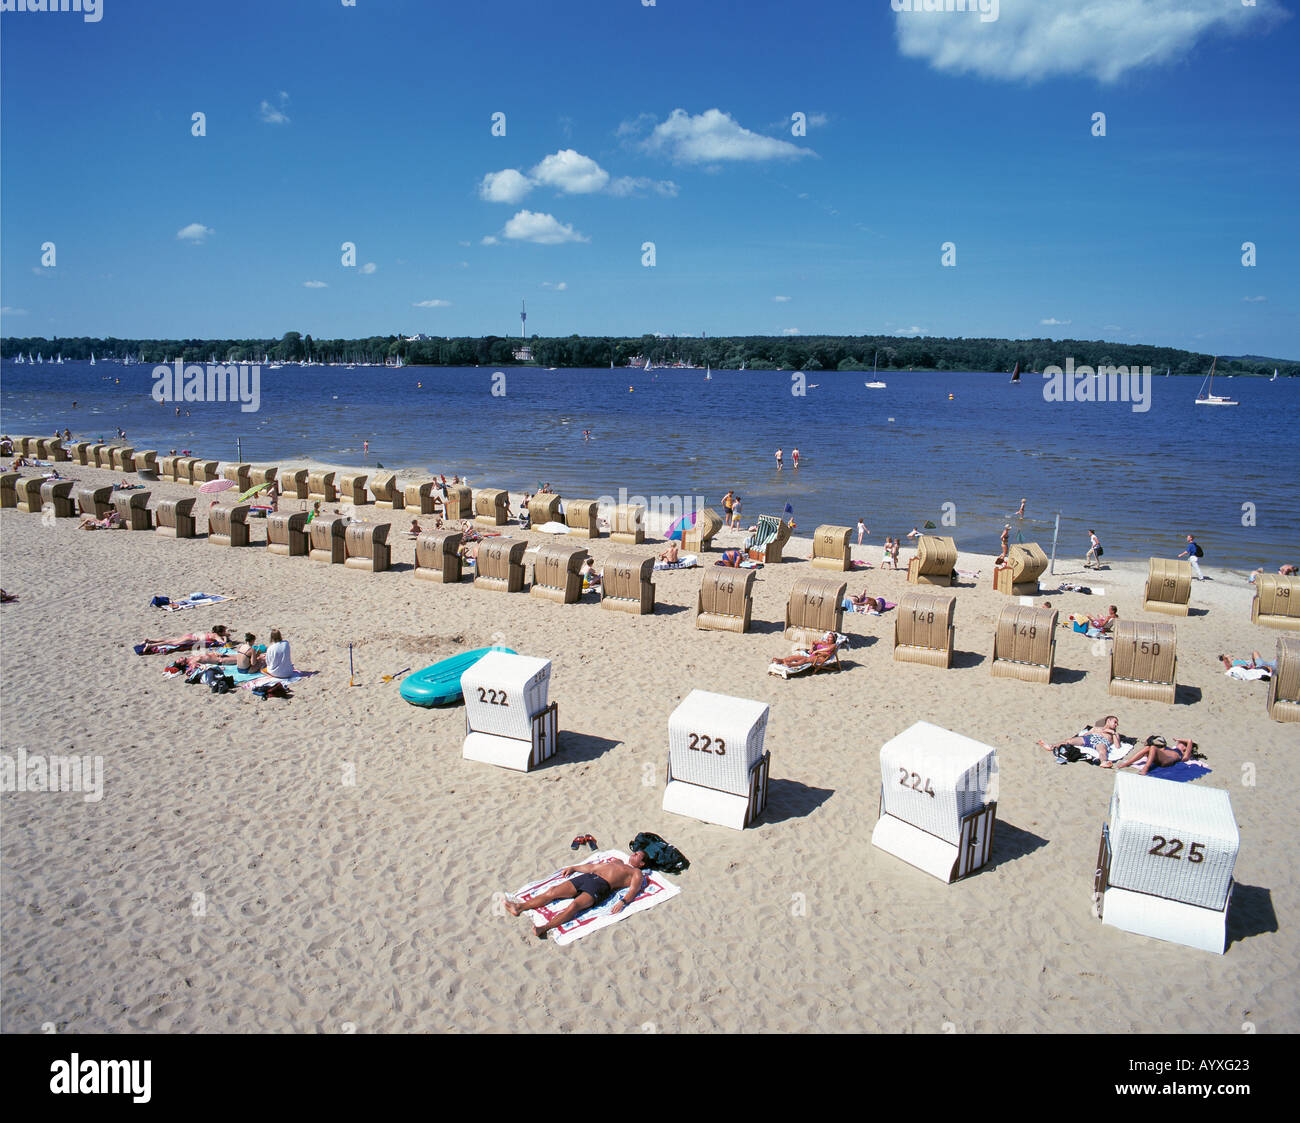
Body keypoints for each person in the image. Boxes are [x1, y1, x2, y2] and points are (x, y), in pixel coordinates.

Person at [505, 852, 650, 939]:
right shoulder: (617, 861)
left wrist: (623, 901)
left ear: (642, 863)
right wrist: (574, 868)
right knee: (552, 891)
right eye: (634, 852)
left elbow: (633, 890)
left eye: (637, 855)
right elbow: (592, 867)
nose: (633, 854)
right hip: (588, 877)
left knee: (574, 906)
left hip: (601, 886)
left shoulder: (636, 873)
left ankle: (544, 928)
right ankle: (519, 907)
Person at [1037, 715, 1121, 766]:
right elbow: (1085, 735)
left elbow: (1117, 746)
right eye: (1115, 722)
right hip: (1090, 738)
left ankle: (1103, 762)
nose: (1117, 724)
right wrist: (1080, 739)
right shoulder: (1097, 728)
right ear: (1108, 720)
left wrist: (1113, 733)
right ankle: (1052, 746)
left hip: (1102, 741)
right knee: (1069, 740)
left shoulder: (1114, 734)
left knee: (1102, 751)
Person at [1112, 736, 1200, 776]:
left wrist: (1178, 739)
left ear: (1185, 748)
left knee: (1153, 748)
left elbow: (1190, 741)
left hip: (1167, 761)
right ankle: (1127, 763)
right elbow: (1158, 751)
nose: (1179, 743)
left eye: (1181, 743)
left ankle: (1145, 769)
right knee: (1148, 748)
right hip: (1161, 758)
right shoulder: (1170, 748)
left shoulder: (1184, 755)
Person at [142, 626, 231, 648]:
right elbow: (223, 643)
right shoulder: (216, 636)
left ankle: (150, 640)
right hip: (191, 639)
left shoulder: (211, 633)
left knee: (170, 640)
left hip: (190, 635)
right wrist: (225, 637)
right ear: (221, 632)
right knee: (170, 643)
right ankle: (151, 645)